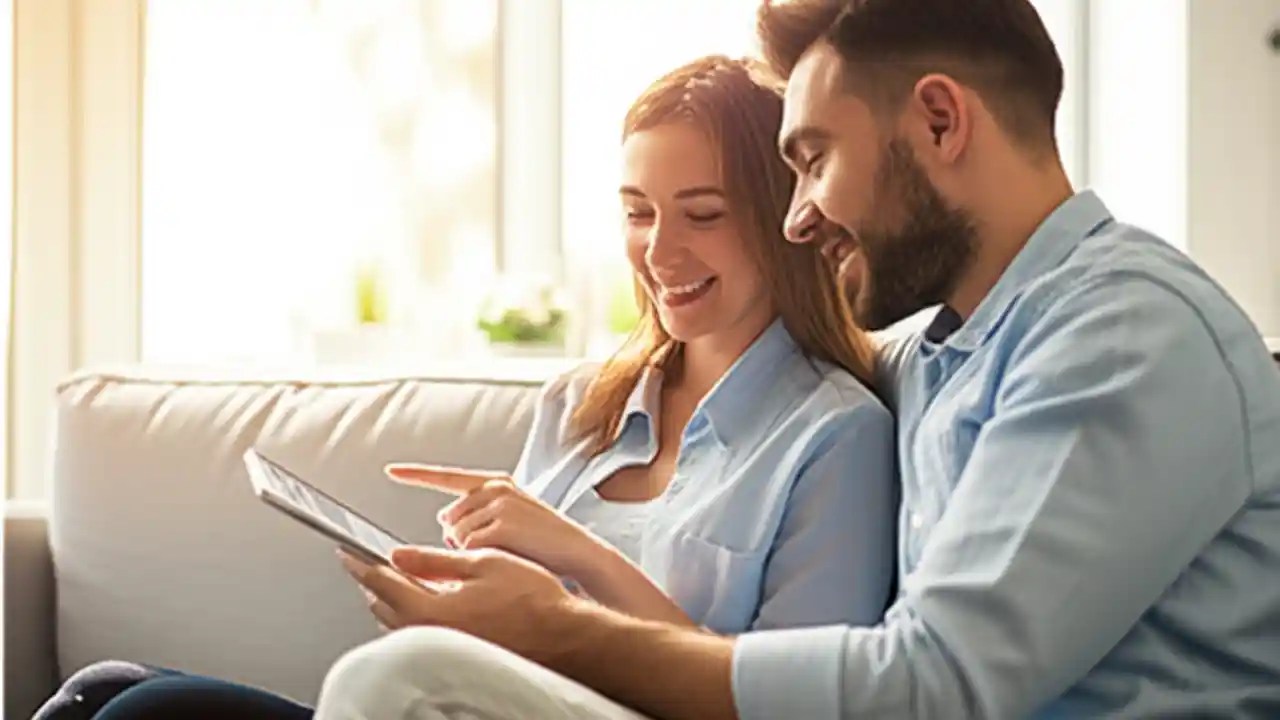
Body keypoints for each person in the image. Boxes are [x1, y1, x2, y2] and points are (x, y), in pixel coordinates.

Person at [319, 0, 1280, 718]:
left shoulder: (1124, 336)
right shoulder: (946, 352)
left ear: (941, 122)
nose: (796, 214)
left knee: (402, 683)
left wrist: (556, 628)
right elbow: (792, 365)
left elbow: (934, 685)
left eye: (815, 158)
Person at [33, 54, 897, 720]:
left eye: (702, 215)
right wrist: (453, 606)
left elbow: (791, 699)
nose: (660, 252)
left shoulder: (835, 436)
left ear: (789, 221)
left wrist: (573, 557)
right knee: (115, 694)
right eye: (639, 212)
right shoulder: (579, 406)